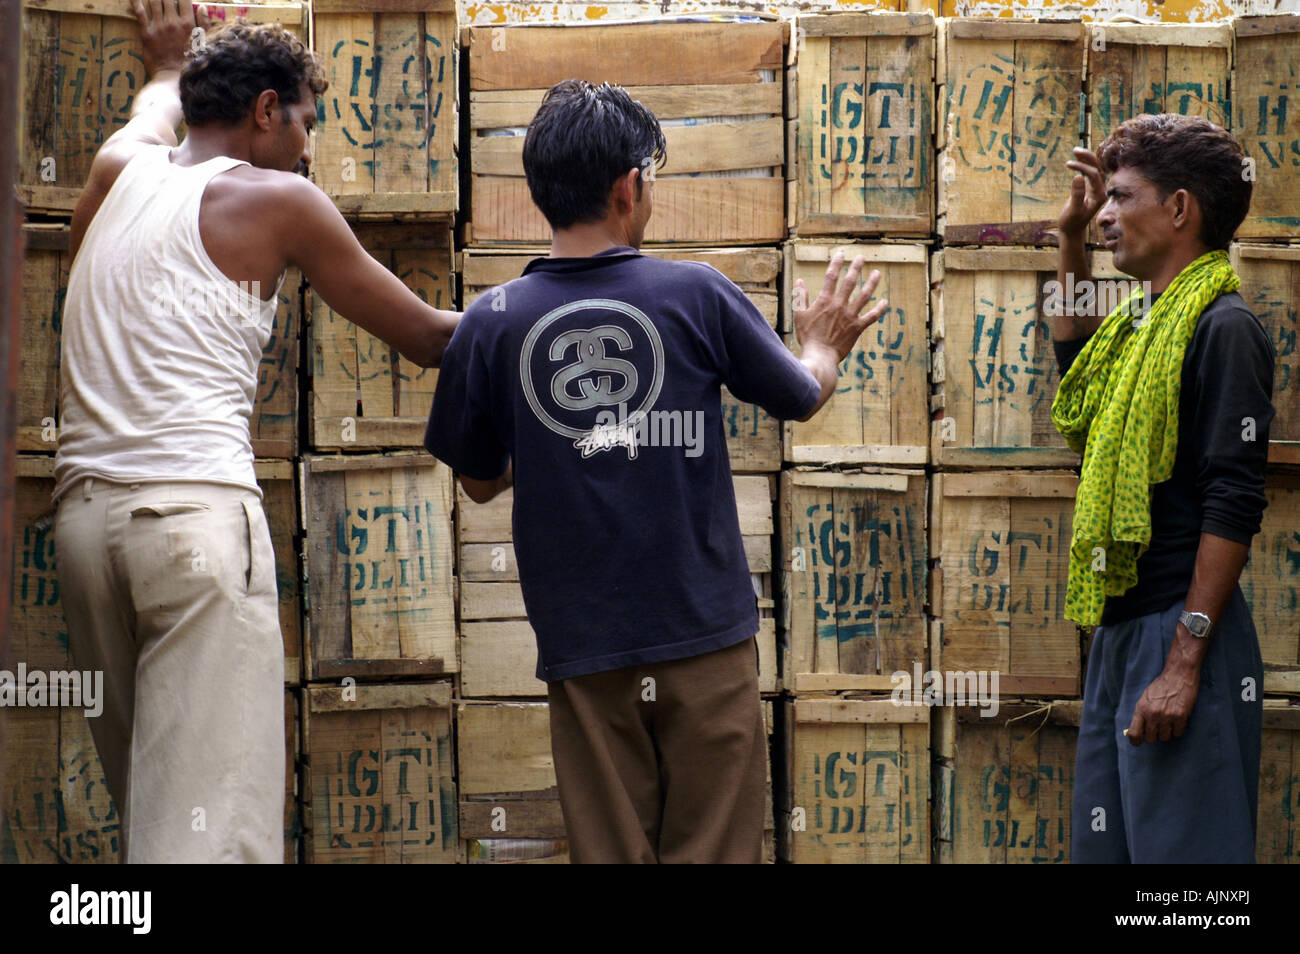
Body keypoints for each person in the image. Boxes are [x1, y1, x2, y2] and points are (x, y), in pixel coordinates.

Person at [425, 79, 887, 864]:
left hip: (582, 645)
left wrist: (561, 436)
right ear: (628, 186)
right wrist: (824, 341)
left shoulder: (491, 320)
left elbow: (477, 480)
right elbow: (803, 396)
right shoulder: (695, 293)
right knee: (715, 846)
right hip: (701, 630)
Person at [53, 1, 460, 863]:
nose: (311, 149)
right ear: (268, 110)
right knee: (207, 835)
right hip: (191, 529)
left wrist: (169, 61)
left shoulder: (120, 165)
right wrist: (551, 300)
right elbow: (427, 337)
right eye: (307, 123)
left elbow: (154, 107)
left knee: (153, 817)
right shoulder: (279, 200)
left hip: (84, 530)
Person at [1050, 114, 1275, 863]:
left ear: (1179, 209)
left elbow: (1233, 499)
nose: (1106, 214)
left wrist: (1184, 663)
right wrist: (1073, 241)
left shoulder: (1223, 326)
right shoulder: (1144, 327)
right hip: (1123, 633)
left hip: (1180, 637)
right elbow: (1077, 378)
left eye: (1120, 198)